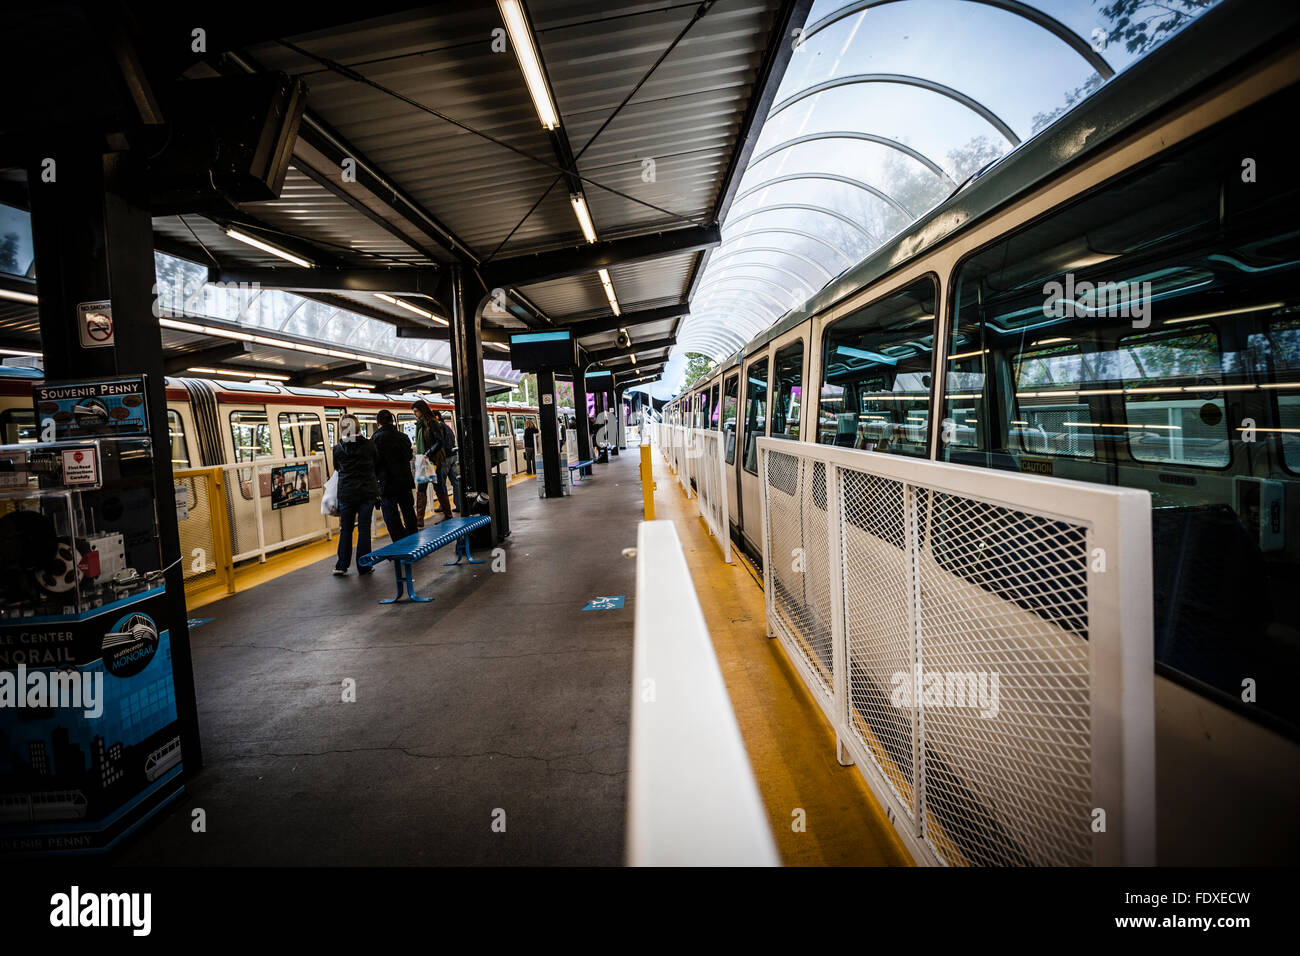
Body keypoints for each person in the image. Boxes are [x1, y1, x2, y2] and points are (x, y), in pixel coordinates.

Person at [332, 413, 380, 576]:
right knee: (364, 529)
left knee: (346, 529)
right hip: (367, 492)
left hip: (347, 493)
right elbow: (376, 464)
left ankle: (341, 565)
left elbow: (337, 468)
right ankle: (364, 565)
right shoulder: (369, 445)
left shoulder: (338, 448)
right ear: (358, 426)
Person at [372, 409, 417, 542]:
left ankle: (399, 540)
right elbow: (409, 456)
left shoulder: (375, 439)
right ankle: (413, 537)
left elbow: (375, 462)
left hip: (386, 483)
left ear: (377, 423)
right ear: (392, 421)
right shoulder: (403, 437)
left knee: (390, 513)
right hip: (404, 480)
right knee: (408, 510)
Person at [412, 400, 454, 523]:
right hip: (423, 460)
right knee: (421, 488)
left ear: (422, 410)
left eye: (416, 411)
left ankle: (448, 514)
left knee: (439, 486)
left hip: (434, 460)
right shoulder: (420, 424)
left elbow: (439, 441)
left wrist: (428, 453)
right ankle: (419, 519)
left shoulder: (432, 423)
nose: (415, 414)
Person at [431, 410, 462, 517]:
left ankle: (443, 506)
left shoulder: (439, 426)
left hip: (445, 458)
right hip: (453, 455)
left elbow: (439, 442)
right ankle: (459, 505)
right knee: (455, 482)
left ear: (436, 417)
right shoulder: (447, 427)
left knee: (441, 483)